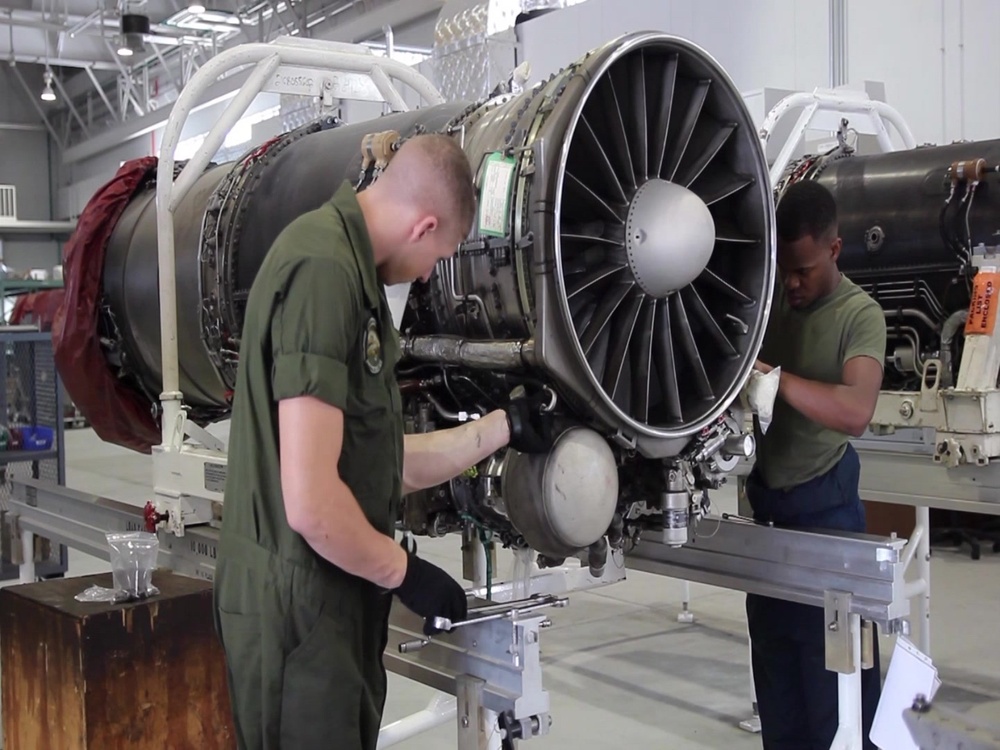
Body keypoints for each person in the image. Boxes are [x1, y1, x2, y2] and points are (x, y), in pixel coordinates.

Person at [213, 133, 554, 750]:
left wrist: (503, 427)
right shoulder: (323, 272)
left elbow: (375, 462)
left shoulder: (352, 273)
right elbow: (314, 504)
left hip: (330, 601)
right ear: (424, 226)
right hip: (300, 618)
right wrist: (405, 572)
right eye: (438, 256)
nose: (428, 276)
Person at [745, 179, 887, 749]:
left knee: (840, 701)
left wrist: (774, 380)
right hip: (768, 520)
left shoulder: (860, 315)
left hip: (826, 518)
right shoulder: (772, 303)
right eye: (785, 268)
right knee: (780, 702)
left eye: (804, 269)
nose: (792, 283)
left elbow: (855, 411)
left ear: (834, 249)